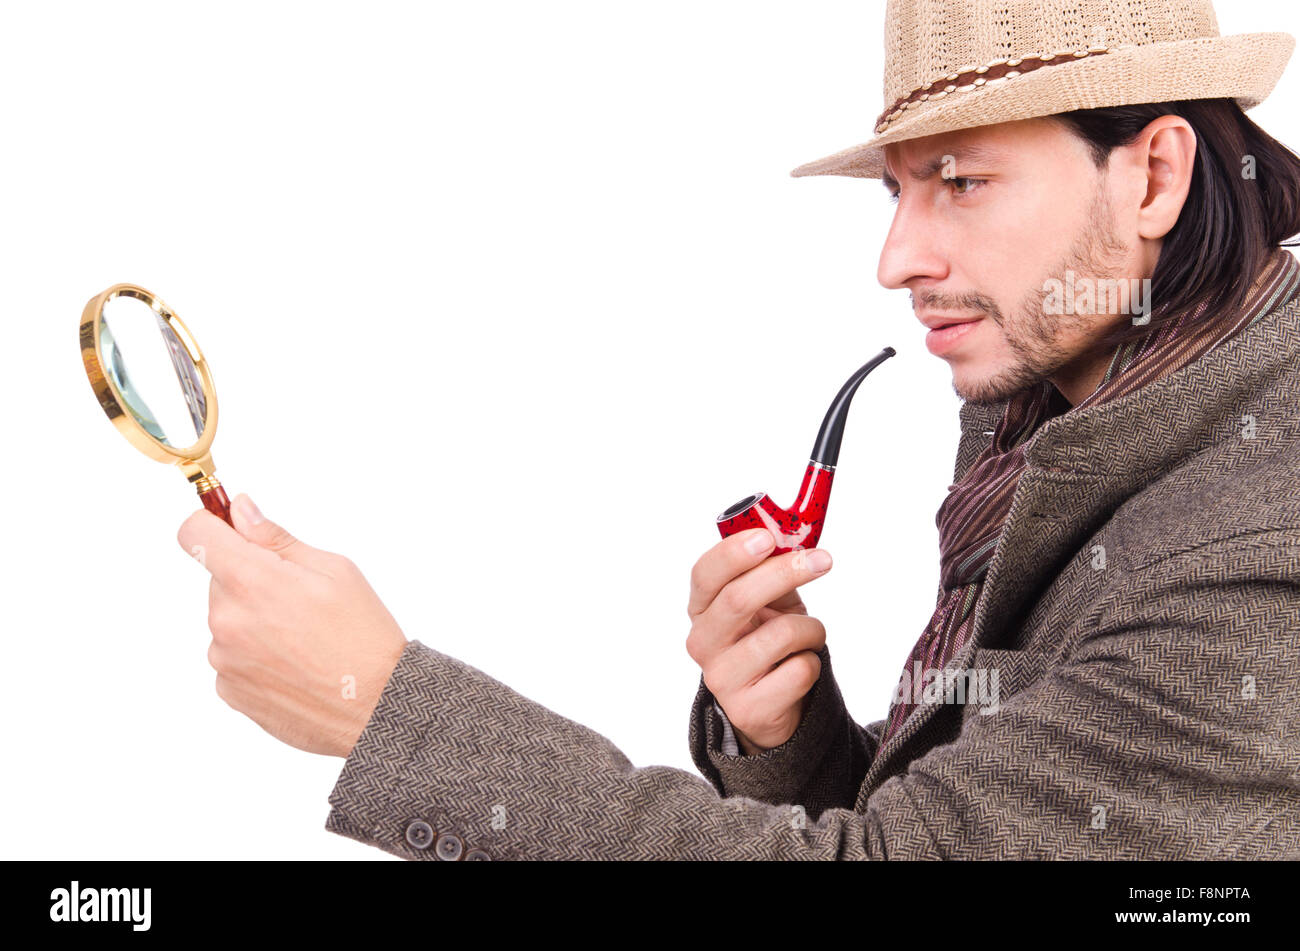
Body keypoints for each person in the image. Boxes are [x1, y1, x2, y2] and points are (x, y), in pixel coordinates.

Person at [177, 0, 1300, 859]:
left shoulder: (1248, 567)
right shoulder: (1089, 418)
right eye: (897, 193)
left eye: (960, 182)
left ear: (1152, 175)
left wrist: (384, 716)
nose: (896, 259)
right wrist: (795, 748)